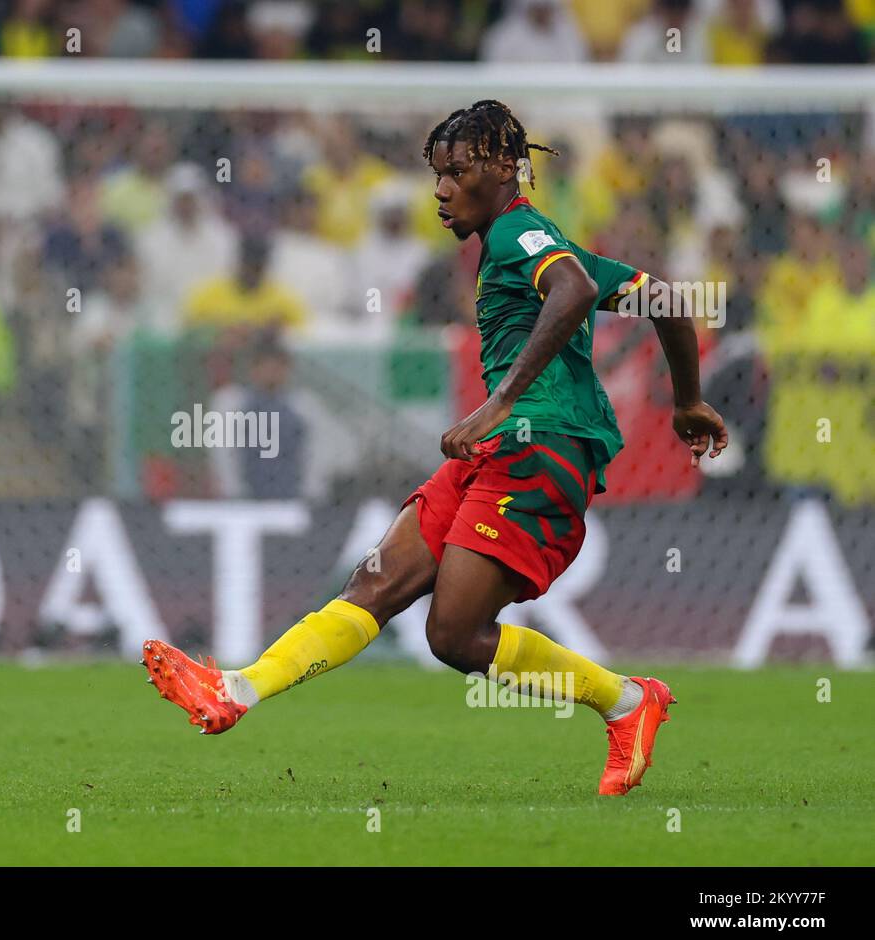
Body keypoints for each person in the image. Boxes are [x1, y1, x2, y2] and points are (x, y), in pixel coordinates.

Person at [143, 100, 729, 796]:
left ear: (506, 168)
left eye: (457, 172)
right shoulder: (542, 243)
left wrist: (501, 400)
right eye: (438, 175)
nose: (442, 191)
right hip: (498, 453)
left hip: (541, 451)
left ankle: (627, 701)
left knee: (454, 635)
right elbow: (667, 301)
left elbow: (570, 291)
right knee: (375, 585)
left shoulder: (518, 235)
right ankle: (236, 689)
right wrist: (688, 400)